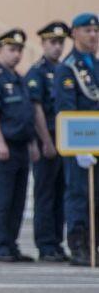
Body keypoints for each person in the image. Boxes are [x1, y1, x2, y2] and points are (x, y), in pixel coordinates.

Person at [0, 29, 37, 262]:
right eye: (11, 49)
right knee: (0, 201)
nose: (16, 54)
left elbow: (27, 115)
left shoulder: (20, 79)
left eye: (19, 50)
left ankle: (11, 244)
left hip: (21, 147)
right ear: (0, 51)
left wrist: (33, 143)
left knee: (17, 201)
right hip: (3, 148)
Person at [53, 13, 99, 266]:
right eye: (87, 30)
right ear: (74, 34)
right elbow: (66, 110)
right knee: (79, 195)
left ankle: (94, 244)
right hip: (80, 144)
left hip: (97, 143)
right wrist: (81, 146)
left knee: (97, 196)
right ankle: (79, 245)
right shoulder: (68, 68)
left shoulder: (95, 65)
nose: (93, 35)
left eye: (96, 30)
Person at [25, 20, 70, 261]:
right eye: (53, 42)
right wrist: (46, 141)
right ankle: (45, 244)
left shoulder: (65, 70)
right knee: (45, 194)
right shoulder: (37, 72)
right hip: (48, 140)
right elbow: (36, 109)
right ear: (43, 43)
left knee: (62, 193)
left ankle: (57, 242)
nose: (57, 47)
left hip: (66, 140)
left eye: (61, 42)